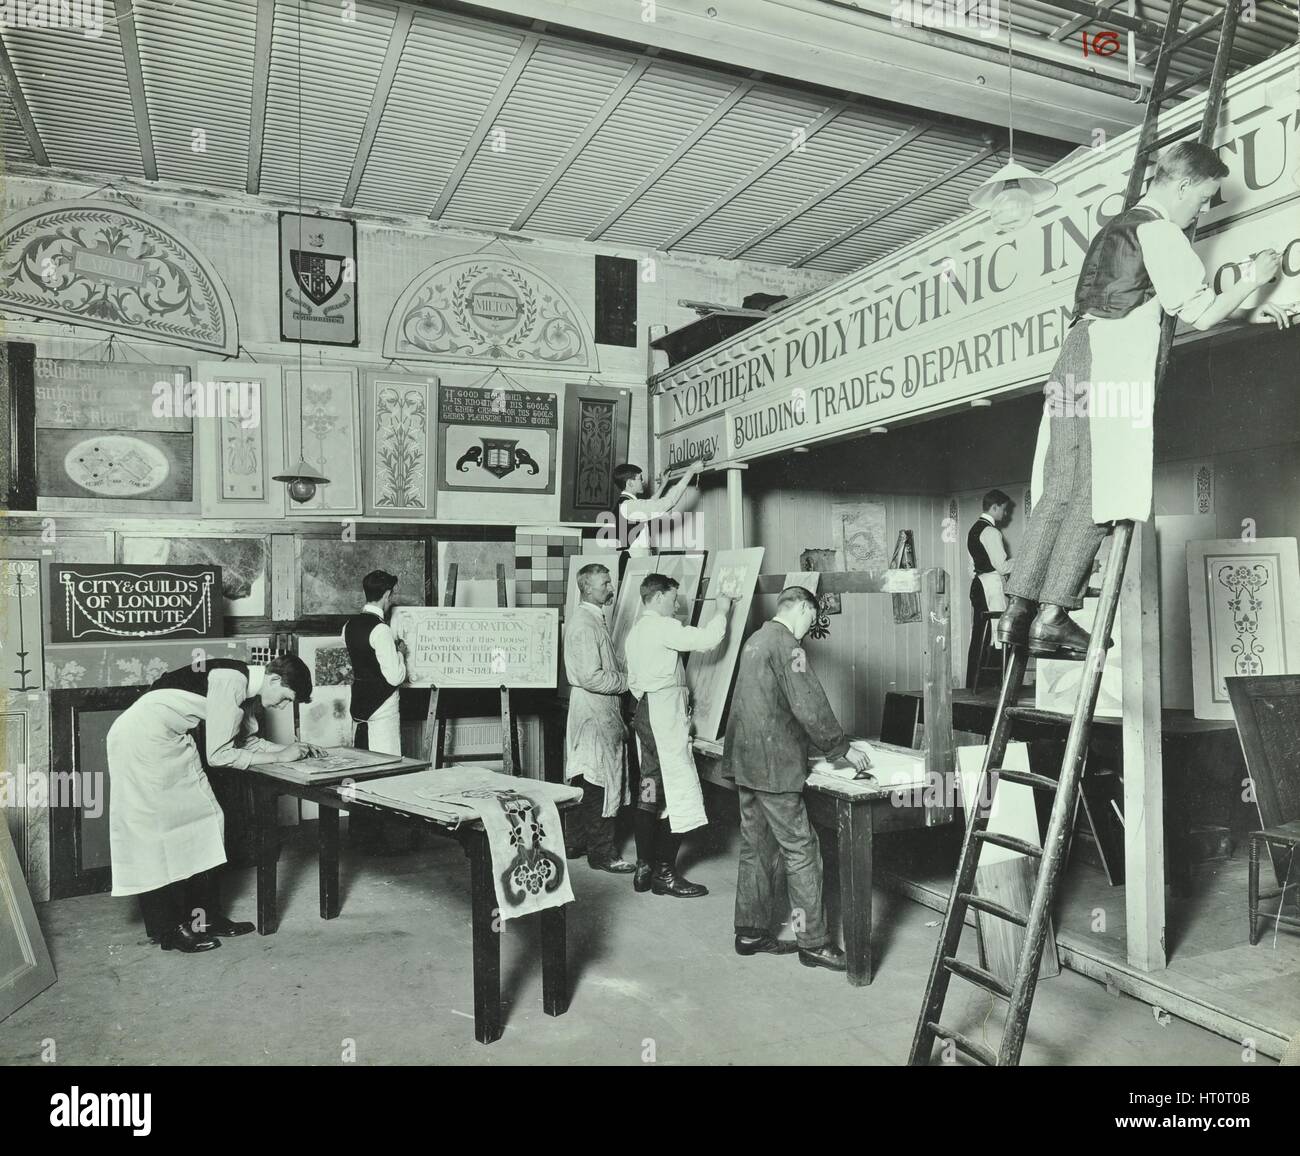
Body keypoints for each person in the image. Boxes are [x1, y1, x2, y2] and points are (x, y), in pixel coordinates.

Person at [999, 142, 1298, 658]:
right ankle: (1054, 616)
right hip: (1110, 365)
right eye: (1202, 198)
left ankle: (1018, 610)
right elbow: (1199, 313)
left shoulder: (1116, 228)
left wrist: (1249, 311)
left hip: (1074, 358)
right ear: (1182, 186)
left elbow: (1157, 301)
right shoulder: (1160, 232)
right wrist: (1255, 278)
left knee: (1061, 486)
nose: (1200, 211)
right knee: (1102, 488)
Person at [107, 655, 321, 954]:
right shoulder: (231, 680)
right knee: (154, 833)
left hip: (170, 739)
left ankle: (205, 918)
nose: (283, 706)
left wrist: (291, 750)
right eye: (286, 698)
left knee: (207, 821)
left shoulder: (247, 688)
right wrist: (279, 756)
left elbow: (246, 742)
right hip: (141, 740)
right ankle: (169, 930)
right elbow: (219, 756)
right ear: (273, 680)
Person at [724, 586, 871, 972]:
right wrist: (840, 748)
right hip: (774, 767)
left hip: (746, 762)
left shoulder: (756, 640)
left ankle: (750, 932)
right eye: (812, 617)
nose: (810, 627)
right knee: (801, 850)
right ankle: (814, 942)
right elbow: (809, 703)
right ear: (803, 608)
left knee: (756, 846)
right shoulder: (788, 645)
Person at [625, 572, 733, 897]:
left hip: (645, 712)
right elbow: (707, 640)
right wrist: (723, 609)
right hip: (664, 715)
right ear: (658, 597)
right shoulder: (662, 626)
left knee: (649, 787)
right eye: (673, 599)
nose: (676, 606)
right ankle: (665, 874)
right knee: (678, 789)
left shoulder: (636, 631)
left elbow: (634, 682)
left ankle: (644, 868)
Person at [563, 563, 635, 873]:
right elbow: (591, 677)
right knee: (599, 781)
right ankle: (602, 853)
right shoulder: (585, 624)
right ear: (587, 588)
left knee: (589, 779)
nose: (611, 588)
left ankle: (577, 842)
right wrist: (629, 681)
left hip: (594, 709)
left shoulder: (592, 619)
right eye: (605, 583)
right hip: (594, 710)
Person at [343, 569, 412, 853]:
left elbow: (363, 662)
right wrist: (400, 652)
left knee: (361, 768)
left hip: (360, 704)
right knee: (386, 770)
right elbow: (395, 677)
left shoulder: (348, 625)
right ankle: (382, 839)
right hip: (382, 706)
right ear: (386, 595)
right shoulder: (381, 630)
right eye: (391, 594)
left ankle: (361, 834)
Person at [612, 460, 701, 569]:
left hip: (633, 557)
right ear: (630, 483)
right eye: (640, 479)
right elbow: (667, 503)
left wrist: (662, 485)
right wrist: (690, 472)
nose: (643, 482)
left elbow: (649, 504)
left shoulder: (625, 503)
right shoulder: (629, 505)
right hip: (636, 559)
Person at [966, 489, 1014, 687]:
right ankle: (995, 686)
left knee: (980, 635)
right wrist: (1022, 561)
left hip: (978, 585)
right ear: (994, 507)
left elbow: (971, 568)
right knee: (997, 633)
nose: (1006, 513)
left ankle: (975, 683)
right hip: (991, 587)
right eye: (1004, 509)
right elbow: (1002, 567)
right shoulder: (991, 532)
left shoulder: (973, 530)